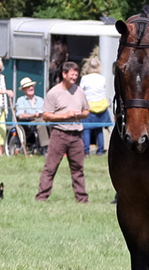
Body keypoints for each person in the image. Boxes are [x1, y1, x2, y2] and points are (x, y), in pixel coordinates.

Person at [35, 61, 90, 204]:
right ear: (64, 74)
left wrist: (80, 114)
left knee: (78, 169)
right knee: (50, 167)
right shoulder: (54, 92)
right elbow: (46, 115)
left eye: (76, 74)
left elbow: (87, 111)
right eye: (72, 74)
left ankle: (82, 200)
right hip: (59, 134)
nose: (75, 77)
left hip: (77, 135)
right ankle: (41, 198)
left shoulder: (80, 91)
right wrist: (64, 116)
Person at [79, 57, 110, 156]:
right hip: (101, 106)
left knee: (86, 129)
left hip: (89, 106)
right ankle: (100, 151)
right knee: (99, 129)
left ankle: (86, 151)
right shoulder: (103, 78)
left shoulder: (85, 78)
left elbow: (80, 91)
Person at [15, 77, 49, 154]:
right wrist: (34, 115)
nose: (31, 88)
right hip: (28, 122)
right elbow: (21, 115)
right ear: (23, 90)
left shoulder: (40, 100)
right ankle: (45, 147)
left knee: (51, 122)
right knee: (41, 122)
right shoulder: (21, 100)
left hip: (41, 118)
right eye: (28, 87)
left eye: (32, 86)